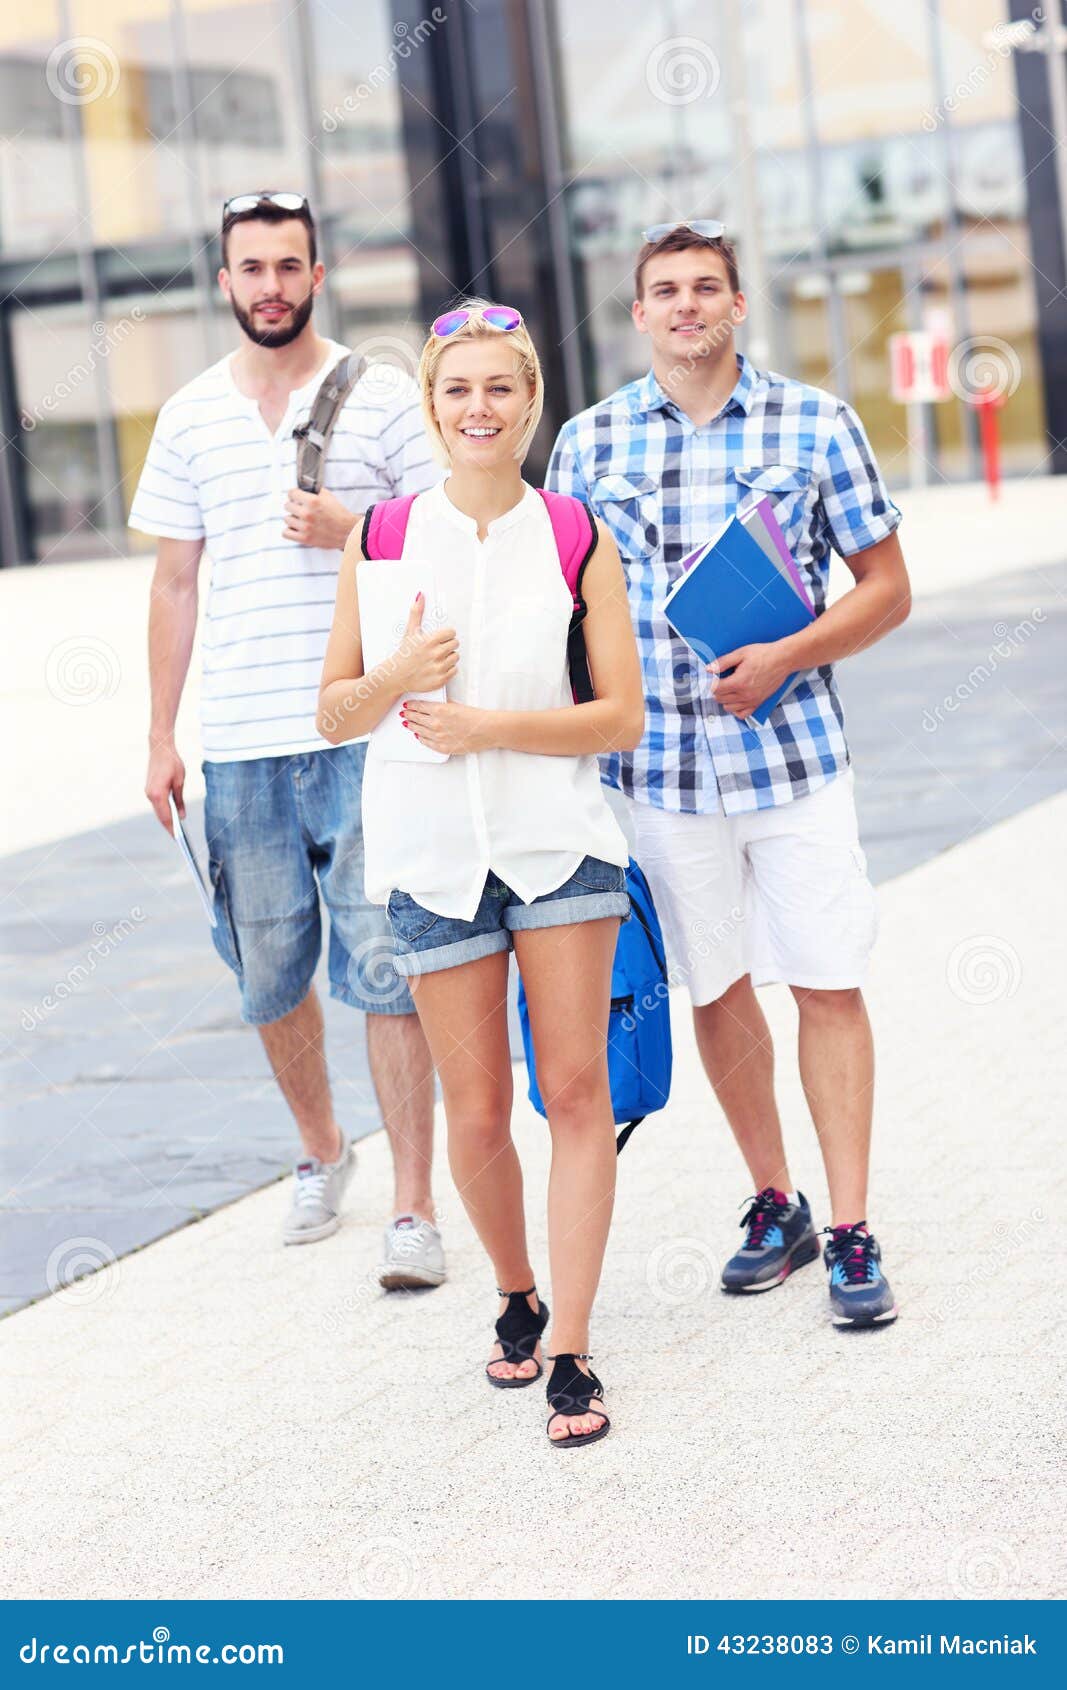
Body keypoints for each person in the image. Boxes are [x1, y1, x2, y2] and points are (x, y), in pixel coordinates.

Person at [546, 221, 912, 1327]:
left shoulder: (815, 423)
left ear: (737, 304)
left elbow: (885, 587)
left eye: (706, 287)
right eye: (664, 290)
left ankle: (850, 1228)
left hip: (792, 762)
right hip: (652, 777)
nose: (686, 305)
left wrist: (787, 655)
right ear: (637, 314)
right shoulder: (584, 443)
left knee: (824, 977)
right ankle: (775, 1201)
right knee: (712, 990)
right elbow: (558, 609)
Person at [317, 300, 644, 1445]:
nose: (478, 408)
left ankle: (570, 1348)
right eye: (457, 389)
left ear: (529, 401)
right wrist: (399, 668)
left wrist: (491, 725)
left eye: (500, 387)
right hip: (430, 855)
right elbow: (334, 712)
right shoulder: (382, 534)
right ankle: (514, 1292)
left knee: (576, 1094)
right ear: (431, 406)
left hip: (557, 843)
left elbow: (621, 718)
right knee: (477, 1109)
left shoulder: (573, 531)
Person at [132, 191, 447, 1289]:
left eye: (287, 265)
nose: (269, 285)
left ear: (319, 273)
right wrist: (161, 737)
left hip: (364, 733)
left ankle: (414, 1202)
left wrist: (355, 528)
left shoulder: (388, 397)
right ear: (224, 281)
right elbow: (175, 581)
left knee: (386, 969)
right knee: (266, 971)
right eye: (249, 268)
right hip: (241, 746)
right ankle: (322, 1149)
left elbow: (450, 535)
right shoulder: (187, 415)